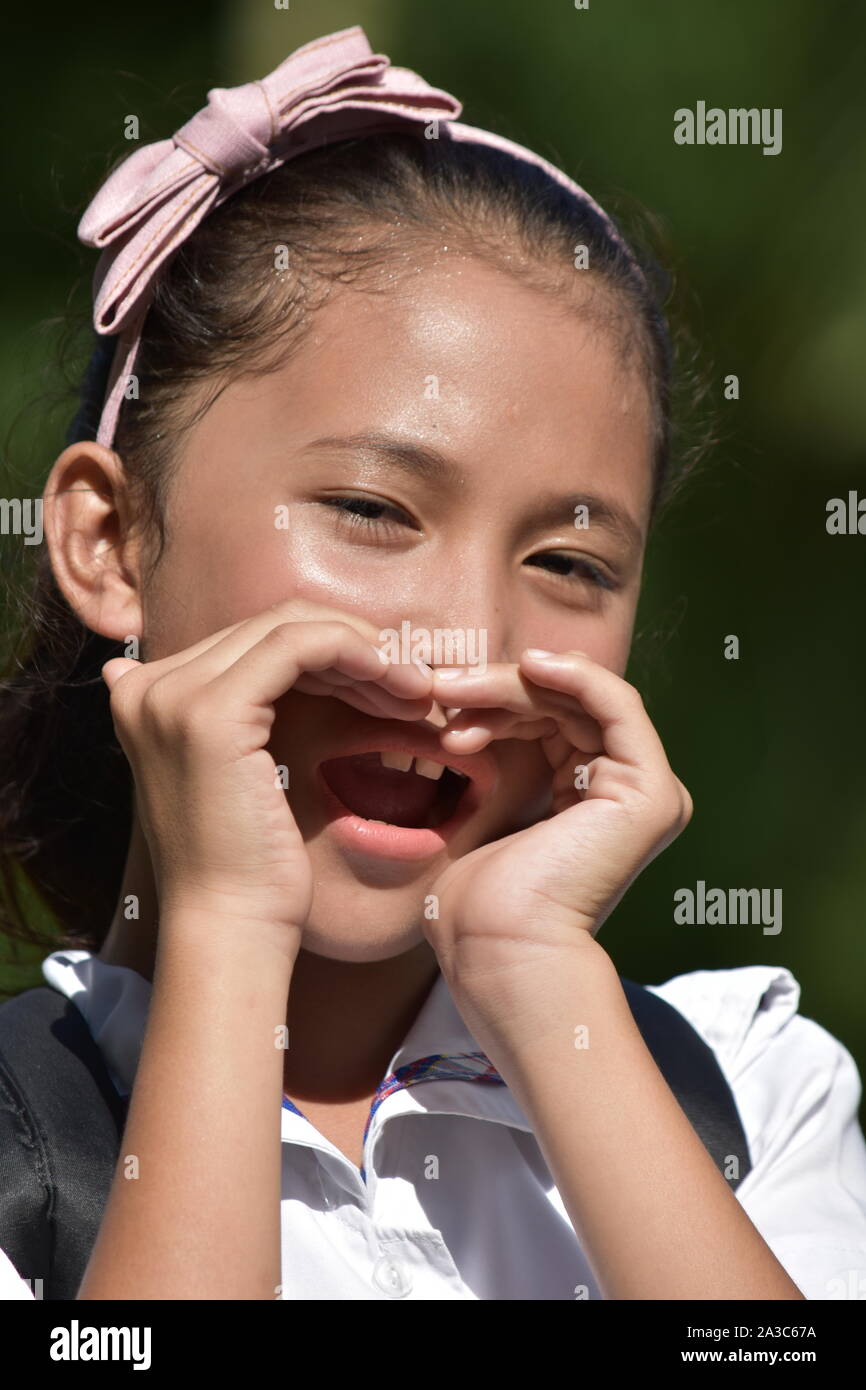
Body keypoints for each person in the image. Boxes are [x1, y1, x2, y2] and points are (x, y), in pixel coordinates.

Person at [1, 24, 865, 1301]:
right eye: (372, 510)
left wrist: (534, 978)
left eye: (568, 566)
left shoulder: (743, 1090)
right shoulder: (32, 1153)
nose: (462, 650)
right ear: (111, 541)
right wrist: (229, 935)